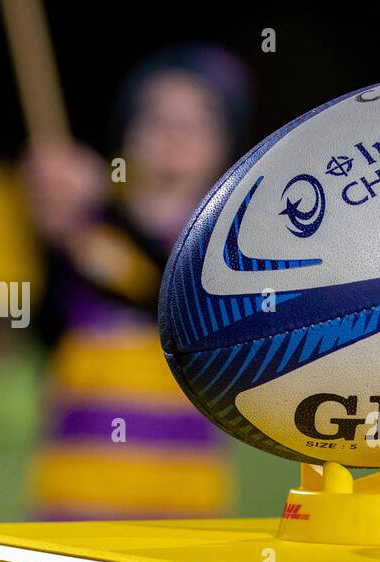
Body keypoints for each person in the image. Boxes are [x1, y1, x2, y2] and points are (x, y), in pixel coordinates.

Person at [21, 45, 252, 518]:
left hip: (185, 495)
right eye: (157, 119)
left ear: (223, 142)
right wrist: (46, 223)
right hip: (80, 491)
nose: (174, 136)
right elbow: (39, 328)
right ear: (128, 133)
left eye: (194, 123)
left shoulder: (228, 247)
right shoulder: (81, 229)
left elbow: (168, 294)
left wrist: (97, 204)